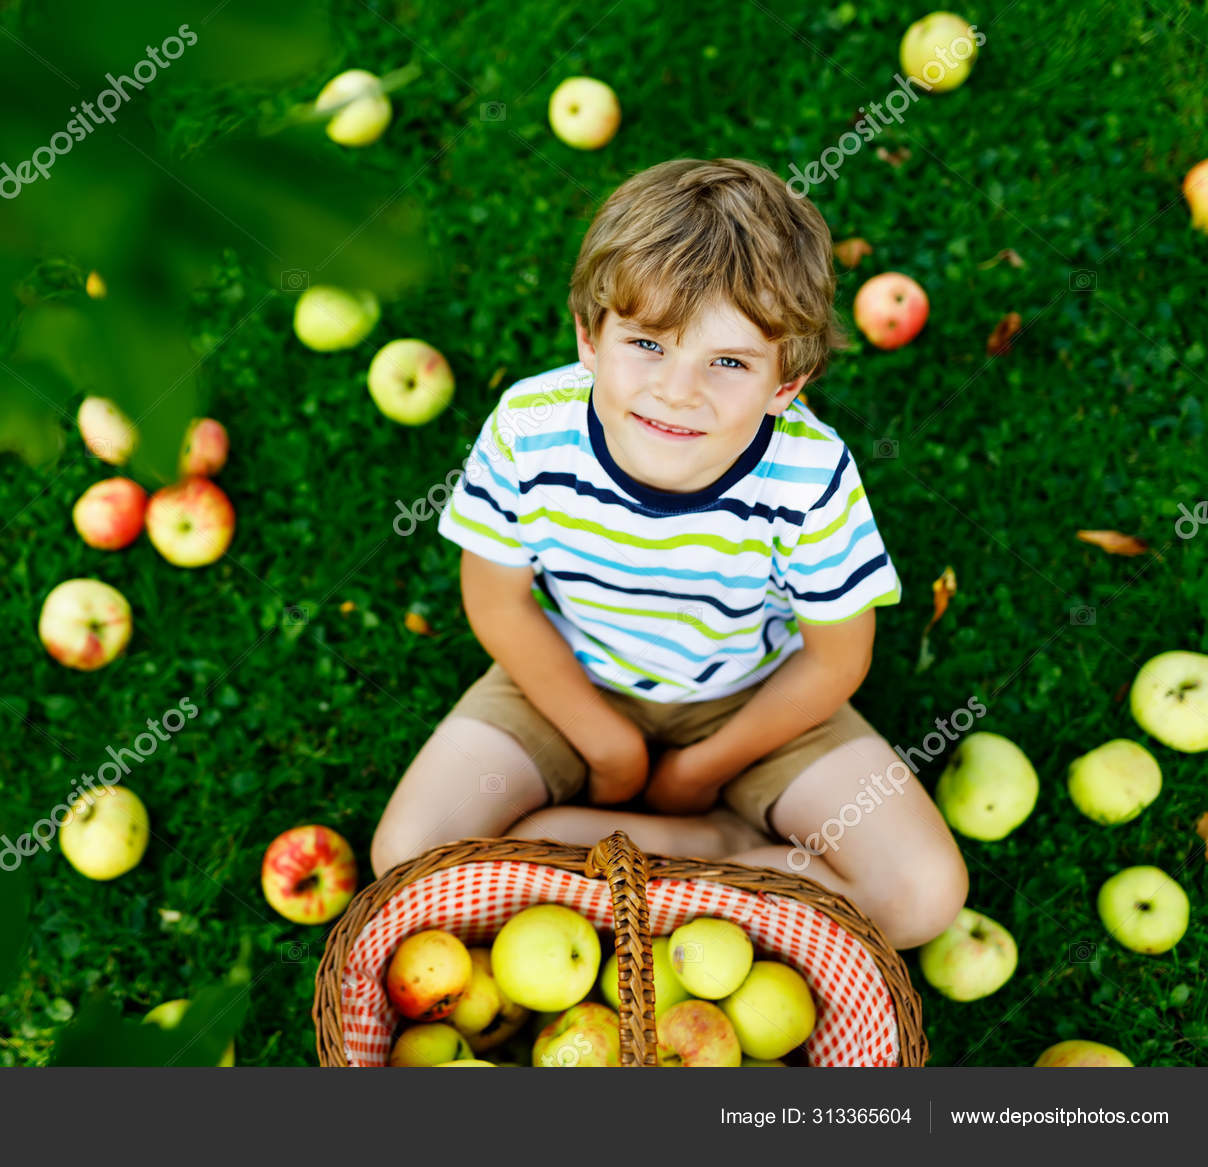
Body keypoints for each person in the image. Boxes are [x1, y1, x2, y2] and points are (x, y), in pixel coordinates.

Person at [369, 157, 966, 949]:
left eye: (728, 362)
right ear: (589, 336)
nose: (679, 391)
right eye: (647, 342)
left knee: (921, 896)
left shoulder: (811, 474)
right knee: (407, 861)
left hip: (753, 698)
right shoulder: (529, 427)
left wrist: (701, 771)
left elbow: (834, 660)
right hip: (568, 672)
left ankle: (694, 845)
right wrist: (608, 746)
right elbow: (498, 601)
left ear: (787, 382)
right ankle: (729, 868)